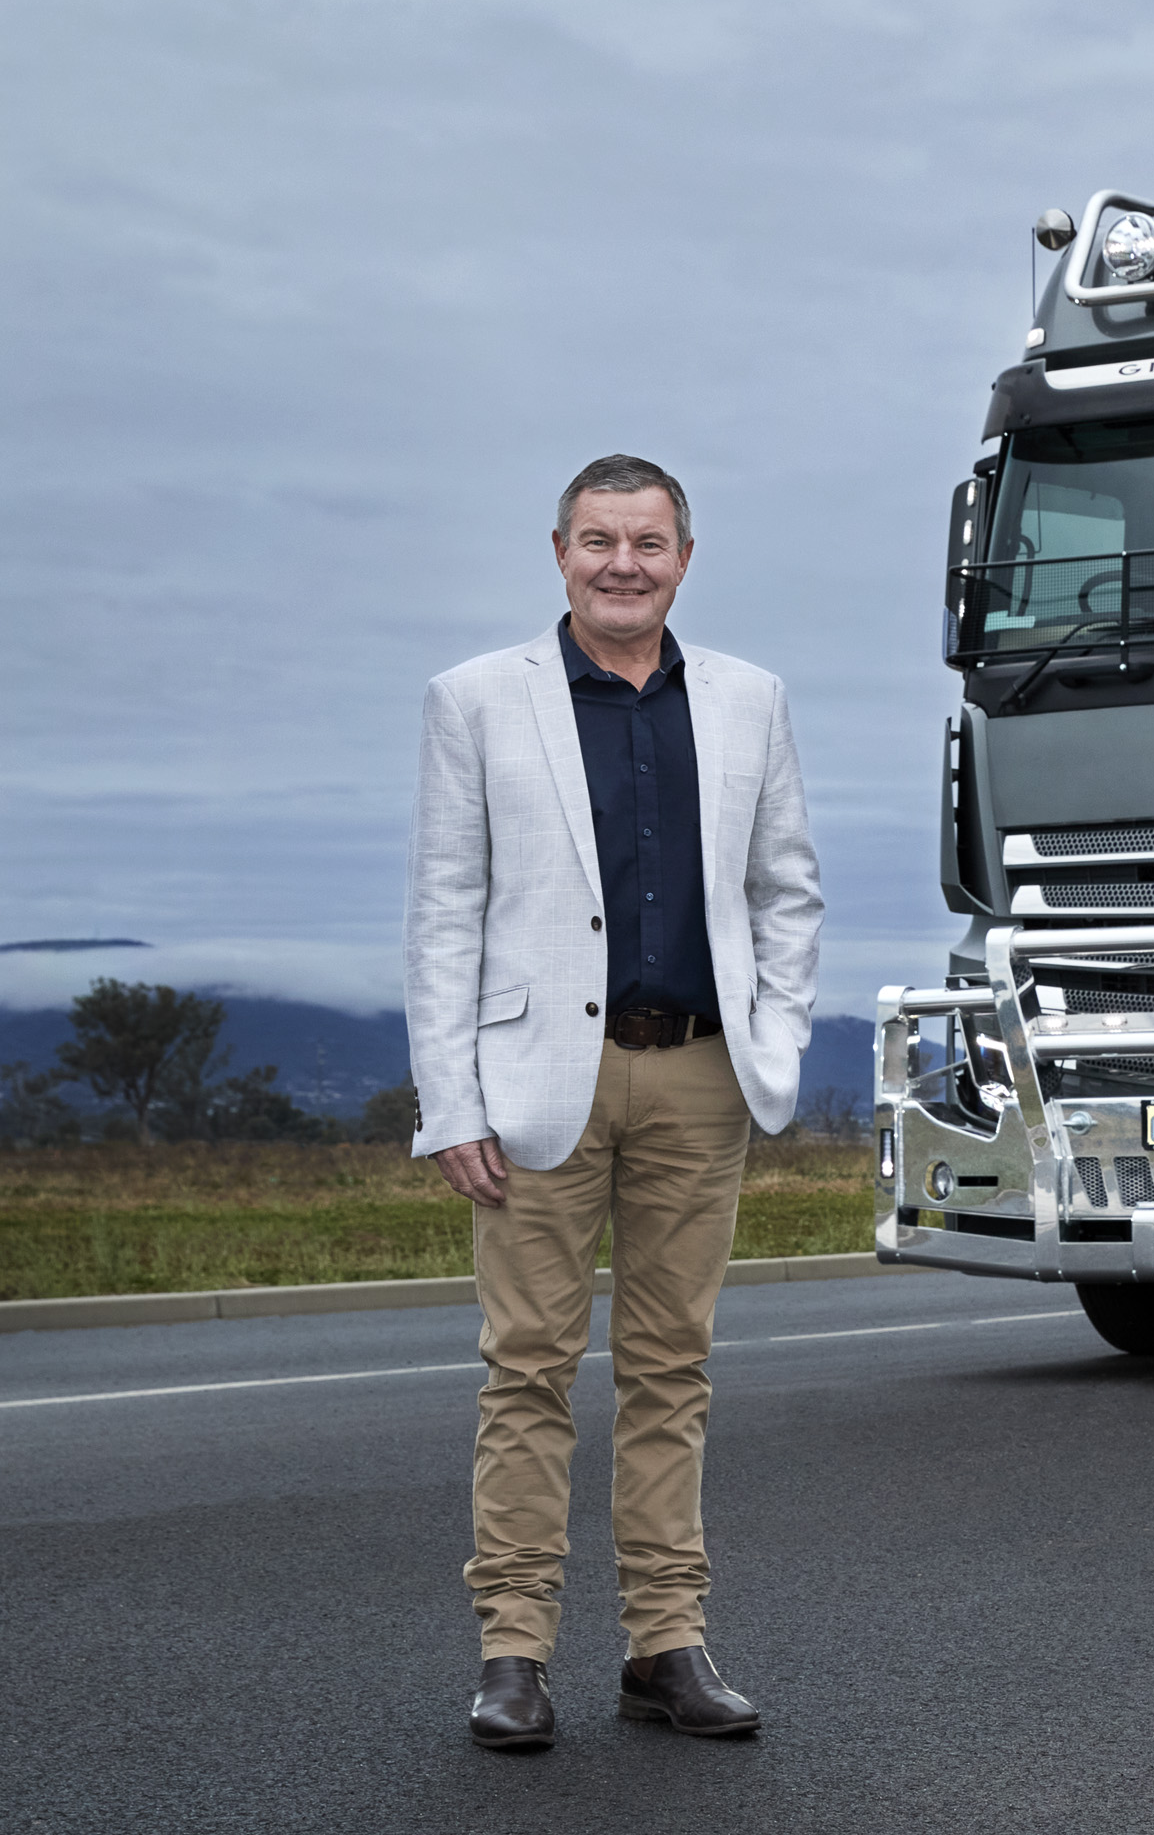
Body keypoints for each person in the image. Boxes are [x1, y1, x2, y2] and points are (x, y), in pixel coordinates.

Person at [405, 454, 821, 1750]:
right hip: (537, 1086)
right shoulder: (476, 700)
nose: (623, 564)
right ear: (560, 551)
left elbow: (786, 891)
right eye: (599, 541)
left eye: (647, 542)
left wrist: (775, 1046)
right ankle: (514, 1654)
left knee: (670, 1372)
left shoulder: (751, 701)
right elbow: (444, 915)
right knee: (525, 1372)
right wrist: (449, 1101)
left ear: (683, 558)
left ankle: (666, 1646)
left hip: (699, 1074)